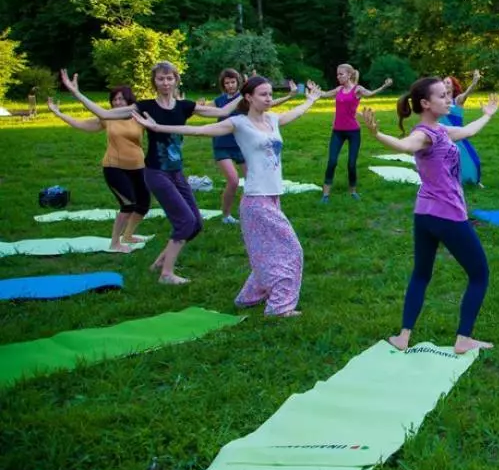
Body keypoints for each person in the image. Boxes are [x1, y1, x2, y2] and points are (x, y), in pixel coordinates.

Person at [133, 77, 321, 316]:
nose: (269, 99)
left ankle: (250, 296)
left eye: (271, 94)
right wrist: (159, 128)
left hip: (273, 196)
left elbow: (294, 114)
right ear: (249, 98)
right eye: (263, 94)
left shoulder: (273, 119)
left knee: (264, 252)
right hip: (256, 201)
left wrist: (312, 100)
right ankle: (280, 306)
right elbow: (200, 130)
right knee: (291, 249)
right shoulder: (238, 123)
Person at [60, 63, 240, 284]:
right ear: (154, 81)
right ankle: (166, 274)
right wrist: (76, 92)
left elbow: (222, 111)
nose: (165, 83)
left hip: (177, 172)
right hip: (156, 173)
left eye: (169, 78)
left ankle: (159, 264)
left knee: (196, 224)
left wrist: (245, 93)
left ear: (176, 80)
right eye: (160, 79)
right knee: (185, 221)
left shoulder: (185, 106)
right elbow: (103, 113)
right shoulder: (144, 107)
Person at [360, 78, 499, 354]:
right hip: (447, 214)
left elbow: (468, 131)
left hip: (424, 213)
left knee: (421, 274)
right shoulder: (426, 134)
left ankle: (403, 336)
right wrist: (378, 136)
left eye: (448, 95)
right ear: (425, 103)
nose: (449, 100)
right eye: (442, 96)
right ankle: (463, 339)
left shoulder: (441, 130)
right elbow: (405, 146)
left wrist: (486, 115)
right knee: (479, 274)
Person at [46, 86, 151, 252]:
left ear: (129, 100)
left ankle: (128, 236)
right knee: (128, 205)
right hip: (114, 167)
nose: (117, 102)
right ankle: (115, 243)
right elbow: (81, 125)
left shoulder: (139, 117)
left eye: (121, 99)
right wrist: (59, 114)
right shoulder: (107, 118)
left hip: (138, 167)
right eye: (114, 99)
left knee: (144, 204)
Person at [209, 69, 296, 224]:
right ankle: (226, 215)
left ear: (238, 83)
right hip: (222, 144)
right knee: (234, 181)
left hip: (243, 146)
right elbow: (205, 110)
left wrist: (289, 97)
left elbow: (268, 102)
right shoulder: (219, 100)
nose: (230, 85)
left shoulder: (244, 98)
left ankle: (252, 212)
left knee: (253, 181)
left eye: (233, 82)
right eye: (227, 83)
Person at [318, 64, 392, 202]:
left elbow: (370, 94)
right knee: (332, 161)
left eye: (341, 74)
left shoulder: (357, 90)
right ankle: (325, 194)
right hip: (337, 131)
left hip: (353, 131)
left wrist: (384, 86)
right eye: (337, 74)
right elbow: (324, 94)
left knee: (351, 163)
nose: (338, 76)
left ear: (349, 75)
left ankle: (352, 191)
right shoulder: (339, 89)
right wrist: (314, 91)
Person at [440, 70, 484, 186]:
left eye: (448, 83)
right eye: (443, 82)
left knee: (473, 160)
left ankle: (475, 181)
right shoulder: (438, 101)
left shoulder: (458, 100)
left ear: (453, 87)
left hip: (459, 135)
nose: (445, 84)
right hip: (443, 137)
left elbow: (466, 94)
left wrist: (474, 82)